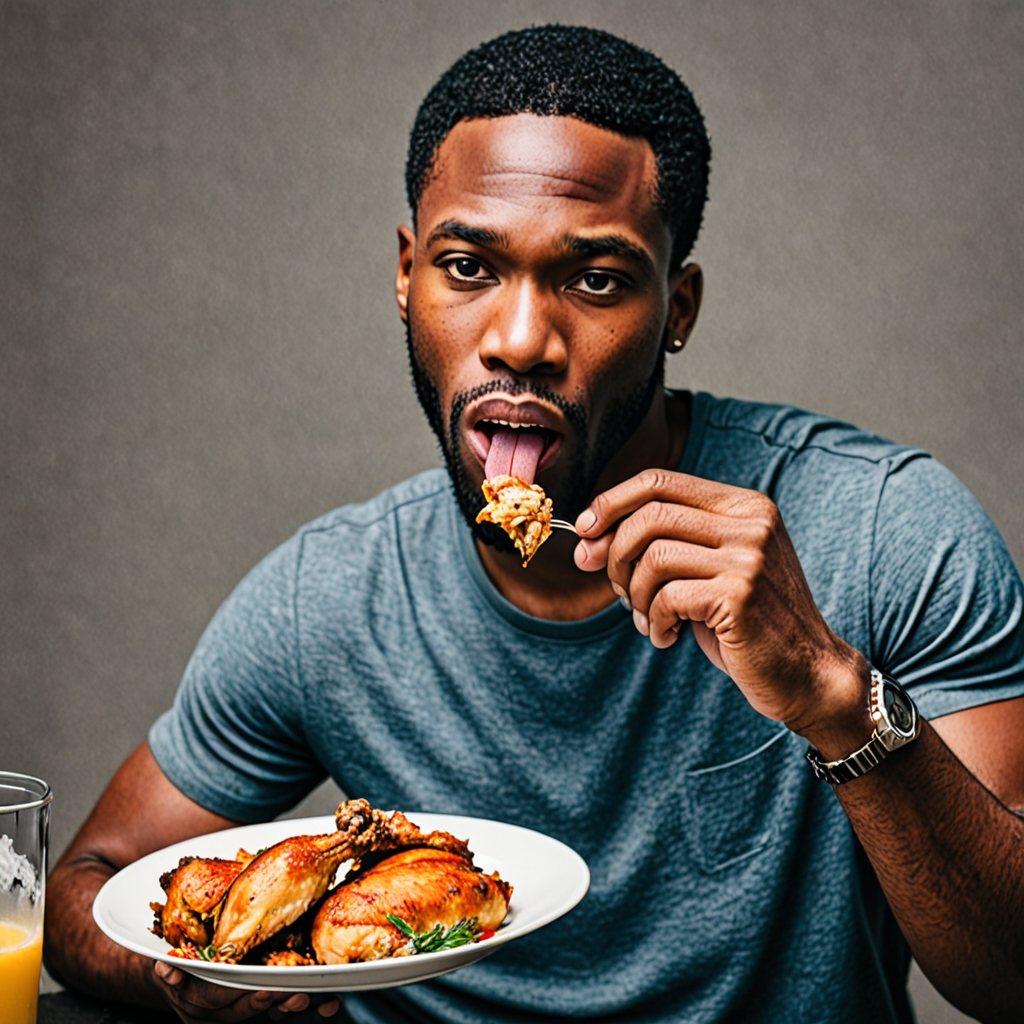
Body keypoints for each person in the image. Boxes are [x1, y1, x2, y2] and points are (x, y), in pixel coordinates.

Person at [45, 24, 1024, 1024]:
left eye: (596, 279)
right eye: (468, 266)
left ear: (677, 307)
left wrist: (834, 699)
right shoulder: (329, 600)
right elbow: (84, 887)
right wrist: (189, 980)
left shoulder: (885, 529)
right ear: (405, 275)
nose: (519, 341)